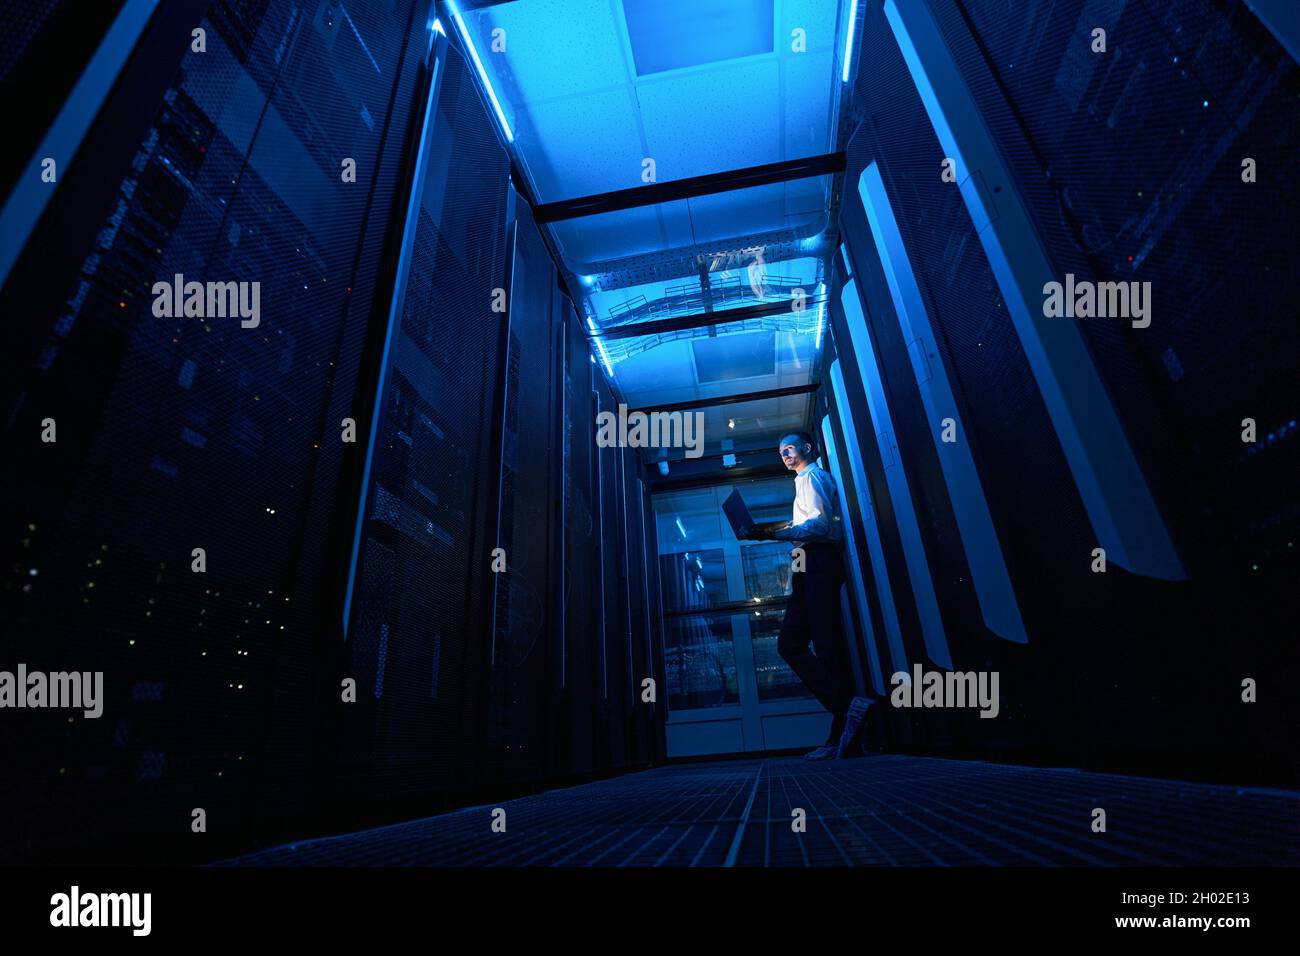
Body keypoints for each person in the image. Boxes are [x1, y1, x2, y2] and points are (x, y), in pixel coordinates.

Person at [738, 431, 873, 760]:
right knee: (793, 644)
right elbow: (808, 522)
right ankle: (845, 715)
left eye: (789, 449)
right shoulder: (804, 480)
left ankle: (843, 733)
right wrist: (770, 531)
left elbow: (818, 525)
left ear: (807, 448)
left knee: (824, 645)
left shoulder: (812, 477)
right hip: (809, 565)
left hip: (818, 562)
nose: (784, 455)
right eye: (780, 451)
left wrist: (775, 535)